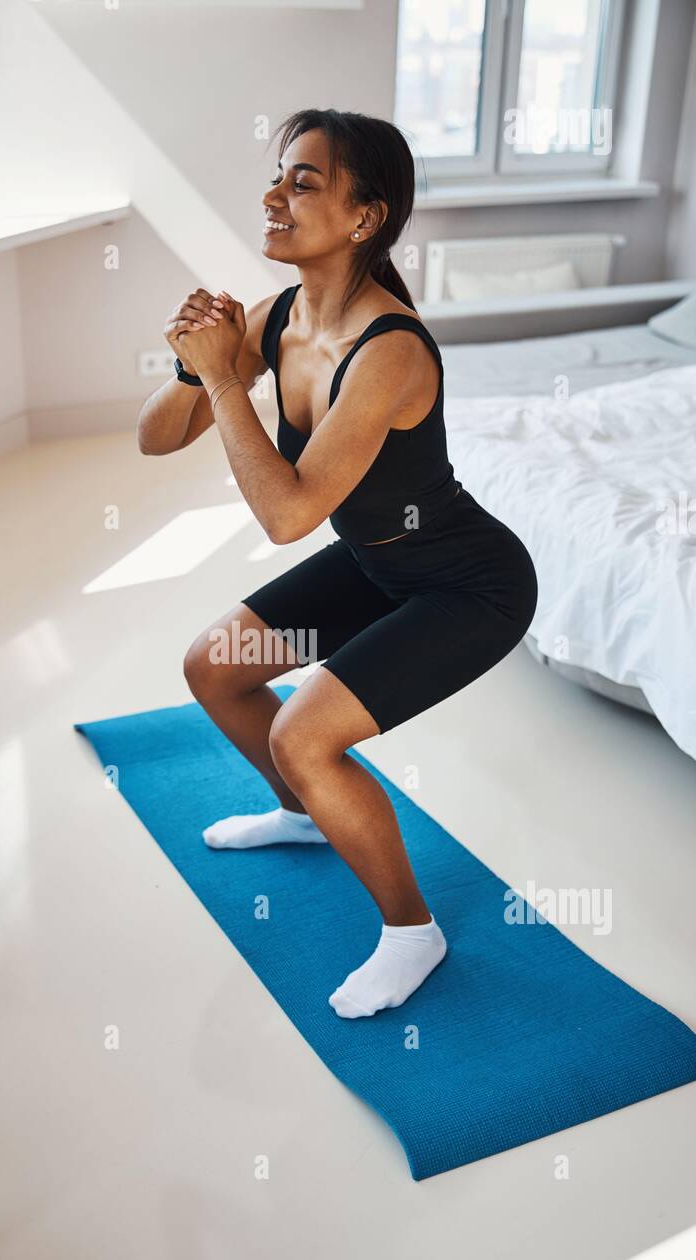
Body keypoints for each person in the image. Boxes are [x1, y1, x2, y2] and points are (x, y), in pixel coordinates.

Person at [136, 109, 538, 1020]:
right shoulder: (278, 314)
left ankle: (413, 933)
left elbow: (285, 515)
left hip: (469, 586)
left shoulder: (388, 349)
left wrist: (229, 377)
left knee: (304, 732)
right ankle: (308, 815)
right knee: (215, 667)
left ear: (366, 218)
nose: (275, 196)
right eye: (278, 176)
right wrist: (197, 367)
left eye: (304, 182)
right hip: (376, 559)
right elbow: (153, 439)